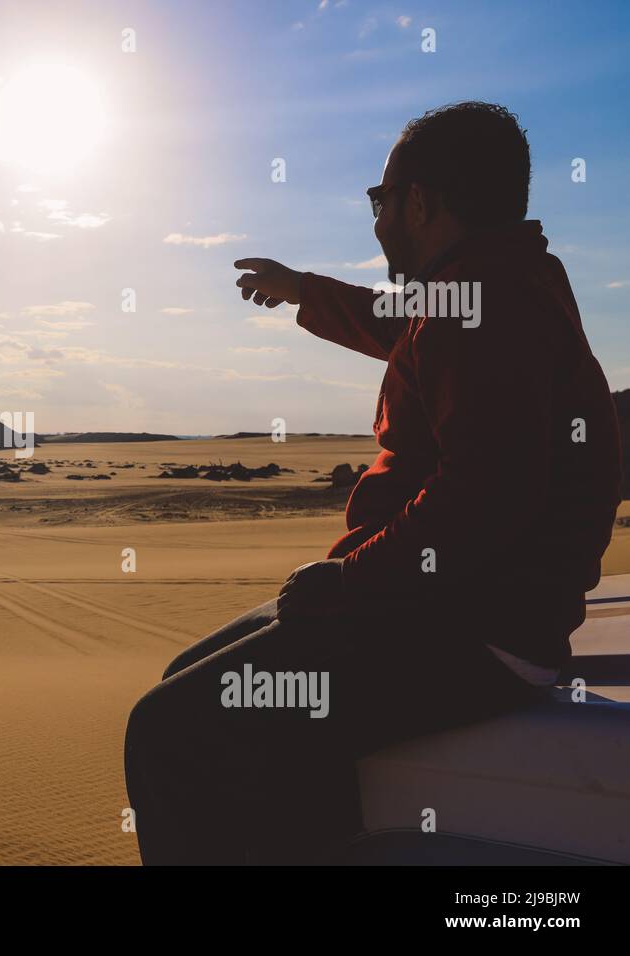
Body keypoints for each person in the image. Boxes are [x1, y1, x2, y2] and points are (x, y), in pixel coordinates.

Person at [123, 101, 622, 865]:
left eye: (380, 197)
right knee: (188, 682)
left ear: (420, 201)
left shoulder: (485, 303)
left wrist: (348, 580)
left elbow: (484, 500)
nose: (378, 214)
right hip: (454, 608)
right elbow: (407, 330)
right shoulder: (492, 281)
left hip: (471, 629)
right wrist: (306, 291)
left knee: (163, 730)